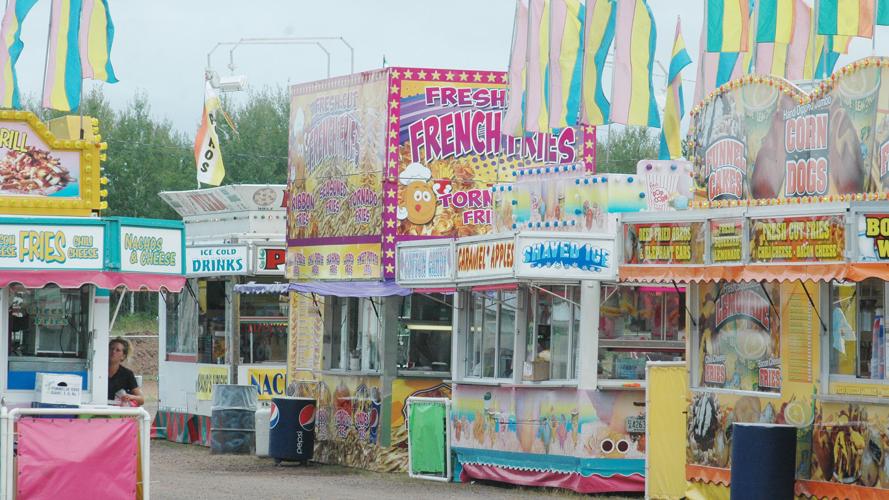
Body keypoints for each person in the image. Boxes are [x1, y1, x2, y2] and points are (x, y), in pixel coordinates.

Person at [108, 337, 144, 406]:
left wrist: (130, 397)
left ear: (123, 356)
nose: (113, 351)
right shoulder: (97, 371)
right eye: (111, 348)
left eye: (117, 350)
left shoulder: (127, 374)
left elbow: (141, 399)